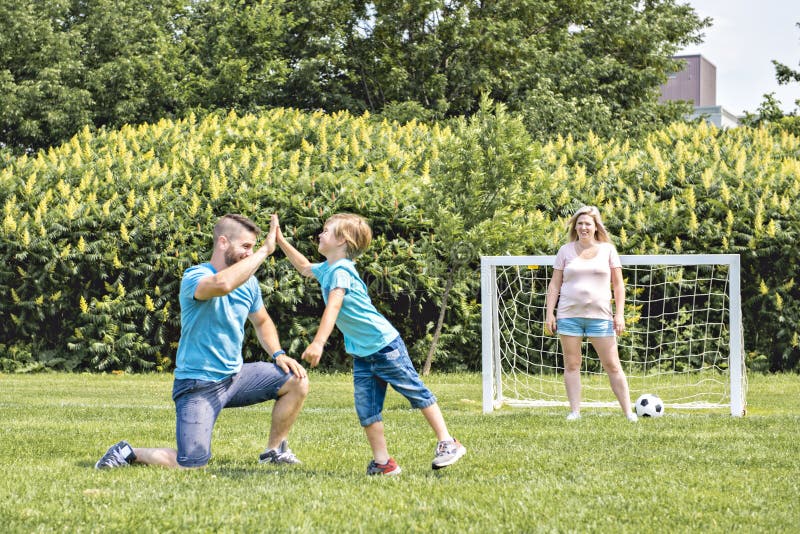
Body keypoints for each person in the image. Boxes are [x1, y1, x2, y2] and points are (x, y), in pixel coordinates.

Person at [96, 214, 309, 469]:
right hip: (199, 384)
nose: (249, 253)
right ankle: (129, 452)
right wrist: (265, 250)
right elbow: (223, 284)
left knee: (296, 380)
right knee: (190, 465)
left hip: (235, 377)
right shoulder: (195, 276)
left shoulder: (249, 283)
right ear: (222, 242)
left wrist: (278, 354)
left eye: (252, 247)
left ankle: (275, 450)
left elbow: (262, 321)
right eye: (245, 247)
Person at [273, 213, 466, 475]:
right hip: (363, 354)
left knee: (415, 392)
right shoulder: (329, 268)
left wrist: (318, 342)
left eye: (326, 231)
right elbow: (305, 267)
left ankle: (448, 442)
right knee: (367, 409)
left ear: (342, 240)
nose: (320, 234)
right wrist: (280, 240)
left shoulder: (341, 271)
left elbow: (335, 304)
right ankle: (383, 463)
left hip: (385, 346)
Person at [545, 205, 637, 422]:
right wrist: (550, 314)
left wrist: (620, 314)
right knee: (572, 364)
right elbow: (554, 285)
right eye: (580, 223)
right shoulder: (565, 251)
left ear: (596, 227)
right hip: (568, 316)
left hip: (601, 318)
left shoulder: (608, 250)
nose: (583, 227)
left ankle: (628, 412)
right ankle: (575, 411)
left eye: (588, 223)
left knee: (613, 365)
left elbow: (618, 285)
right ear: (575, 227)